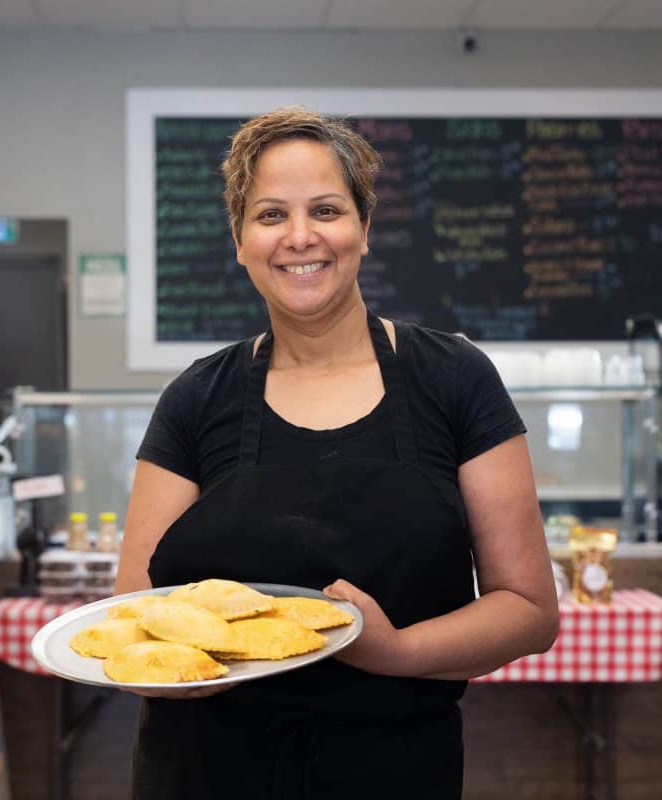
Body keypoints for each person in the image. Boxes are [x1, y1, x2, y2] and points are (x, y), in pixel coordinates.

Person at [115, 106, 558, 800]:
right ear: (239, 240)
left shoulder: (454, 380)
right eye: (270, 215)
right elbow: (134, 610)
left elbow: (528, 608)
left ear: (364, 228)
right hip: (205, 773)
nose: (300, 237)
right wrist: (190, 670)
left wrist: (396, 651)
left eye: (325, 209)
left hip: (394, 772)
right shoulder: (196, 398)